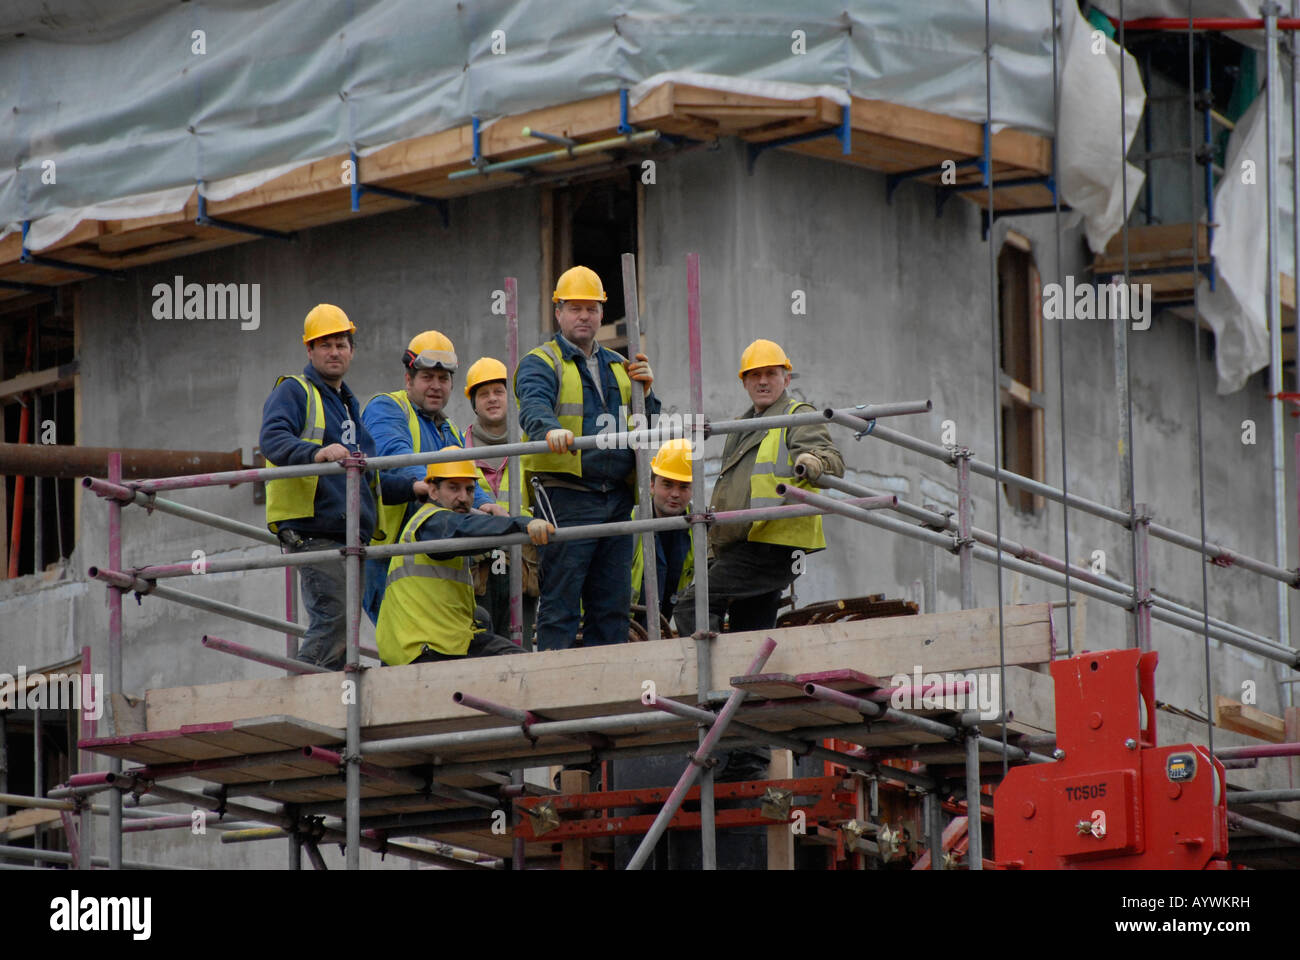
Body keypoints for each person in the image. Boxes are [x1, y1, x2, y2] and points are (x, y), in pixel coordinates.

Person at [514, 265, 659, 651]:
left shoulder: (618, 364)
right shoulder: (541, 362)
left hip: (614, 497)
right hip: (568, 494)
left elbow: (647, 424)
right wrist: (549, 430)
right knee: (562, 601)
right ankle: (553, 685)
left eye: (592, 308)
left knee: (612, 605)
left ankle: (608, 683)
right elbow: (532, 405)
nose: (584, 316)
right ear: (558, 312)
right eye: (575, 308)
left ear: (600, 314)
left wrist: (648, 390)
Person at [674, 338, 844, 637]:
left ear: (786, 378)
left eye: (771, 374)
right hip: (744, 543)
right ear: (744, 382)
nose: (763, 381)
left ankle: (710, 681)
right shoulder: (741, 426)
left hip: (773, 544)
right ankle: (747, 683)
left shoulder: (797, 414)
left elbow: (830, 459)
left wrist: (812, 461)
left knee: (694, 604)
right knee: (749, 632)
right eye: (755, 374)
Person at [259, 304, 396, 670]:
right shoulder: (296, 391)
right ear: (309, 350)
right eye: (325, 345)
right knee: (334, 616)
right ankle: (303, 688)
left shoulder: (349, 406)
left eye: (341, 344)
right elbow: (272, 440)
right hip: (314, 526)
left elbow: (371, 475)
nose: (334, 352)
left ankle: (330, 692)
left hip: (350, 532)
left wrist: (415, 488)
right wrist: (316, 453)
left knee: (345, 623)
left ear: (352, 350)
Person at [361, 330, 504, 626]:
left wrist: (486, 503)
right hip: (390, 557)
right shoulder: (386, 408)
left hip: (431, 556)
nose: (436, 386)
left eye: (444, 379)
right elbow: (396, 460)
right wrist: (440, 489)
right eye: (428, 377)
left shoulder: (447, 429)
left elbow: (465, 472)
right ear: (408, 379)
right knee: (405, 642)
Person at [376, 450, 554, 666]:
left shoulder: (443, 522)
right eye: (453, 488)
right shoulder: (432, 521)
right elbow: (465, 527)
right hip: (422, 649)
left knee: (518, 659)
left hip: (444, 640)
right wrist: (521, 523)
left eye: (469, 489)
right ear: (433, 490)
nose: (463, 498)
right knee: (517, 666)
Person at [463, 356, 539, 646]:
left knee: (518, 648)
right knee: (477, 646)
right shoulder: (457, 450)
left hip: (521, 565)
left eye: (498, 391)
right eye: (483, 393)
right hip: (476, 571)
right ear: (474, 401)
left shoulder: (529, 447)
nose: (492, 399)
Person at [630, 438, 695, 633]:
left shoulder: (697, 529)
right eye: (667, 484)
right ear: (651, 485)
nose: (675, 494)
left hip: (663, 625)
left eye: (683, 486)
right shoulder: (630, 523)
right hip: (625, 627)